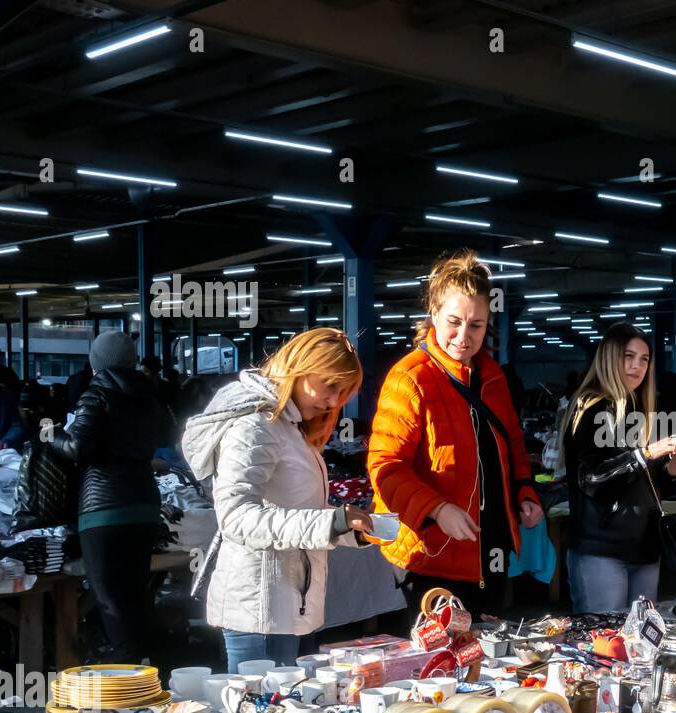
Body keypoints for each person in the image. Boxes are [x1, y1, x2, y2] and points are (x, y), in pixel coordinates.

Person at [181, 327, 370, 672]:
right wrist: (333, 521)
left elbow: (296, 513)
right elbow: (237, 517)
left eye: (342, 392)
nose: (334, 401)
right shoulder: (256, 426)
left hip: (281, 604)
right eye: (330, 386)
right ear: (302, 366)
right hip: (259, 609)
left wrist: (349, 529)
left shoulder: (286, 426)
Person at [368, 250, 543, 618]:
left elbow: (513, 447)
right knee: (437, 668)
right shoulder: (410, 378)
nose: (463, 336)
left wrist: (525, 492)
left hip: (490, 555)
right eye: (454, 322)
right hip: (432, 562)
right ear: (433, 315)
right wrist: (436, 508)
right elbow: (385, 467)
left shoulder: (494, 378)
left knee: (491, 664)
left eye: (476, 325)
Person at [561, 321, 676, 612]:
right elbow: (591, 479)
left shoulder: (640, 408)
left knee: (643, 646)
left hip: (644, 549)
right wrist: (647, 453)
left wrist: (674, 469)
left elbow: (642, 483)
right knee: (604, 645)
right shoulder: (591, 407)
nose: (637, 366)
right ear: (609, 357)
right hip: (601, 550)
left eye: (644, 359)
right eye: (628, 356)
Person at [48, 332, 163, 663]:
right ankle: (151, 677)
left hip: (104, 510)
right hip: (144, 506)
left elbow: (77, 447)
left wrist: (50, 434)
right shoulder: (149, 397)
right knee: (136, 597)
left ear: (95, 361)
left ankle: (126, 686)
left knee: (111, 602)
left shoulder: (96, 394)